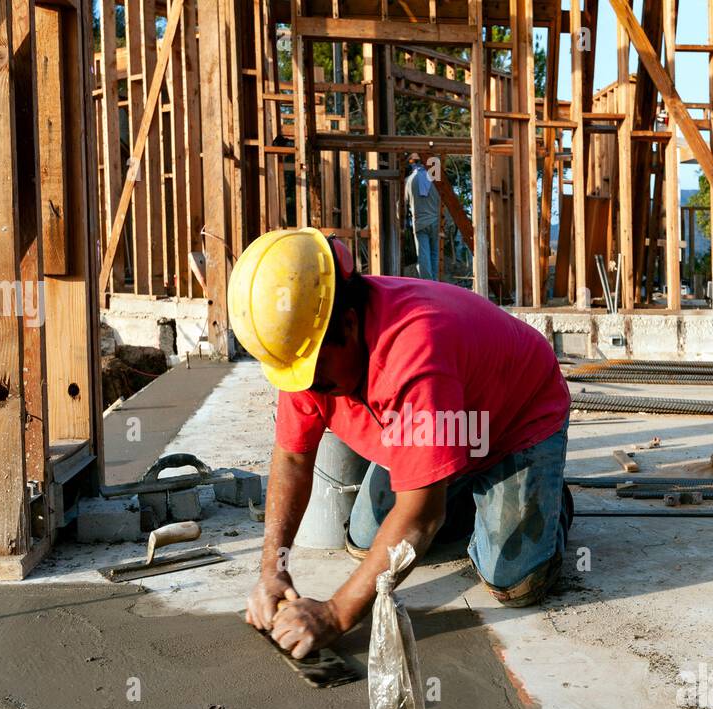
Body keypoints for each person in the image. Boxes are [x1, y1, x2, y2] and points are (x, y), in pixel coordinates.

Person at [229, 227, 572, 660]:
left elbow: (419, 516)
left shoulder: (415, 351)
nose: (308, 388)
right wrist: (272, 571)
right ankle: (449, 479)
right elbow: (294, 458)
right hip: (443, 423)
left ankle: (551, 498)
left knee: (513, 581)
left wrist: (336, 615)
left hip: (511, 424)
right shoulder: (305, 343)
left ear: (349, 325)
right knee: (365, 542)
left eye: (314, 374)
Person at [404, 153, 441, 281]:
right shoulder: (435, 180)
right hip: (435, 221)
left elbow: (402, 204)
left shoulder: (409, 181)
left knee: (423, 255)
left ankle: (428, 285)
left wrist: (401, 219)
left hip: (420, 223)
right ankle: (435, 284)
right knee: (434, 254)